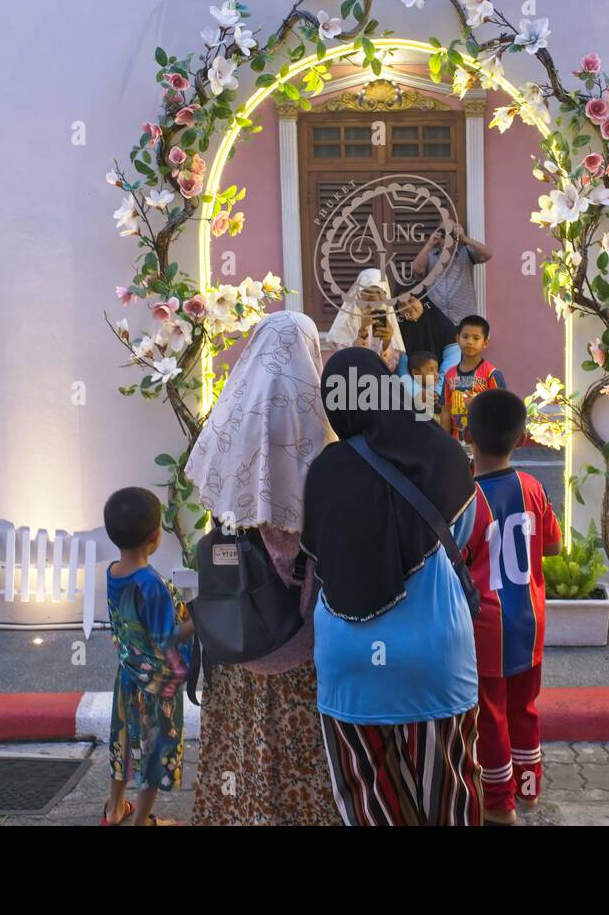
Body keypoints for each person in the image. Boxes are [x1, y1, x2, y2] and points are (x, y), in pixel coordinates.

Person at [303, 347, 483, 826]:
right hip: (434, 660)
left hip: (349, 668)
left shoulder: (323, 471)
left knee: (371, 805)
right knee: (451, 804)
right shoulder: (442, 453)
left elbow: (320, 556)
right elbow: (459, 538)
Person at [185, 311, 340, 826]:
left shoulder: (231, 411)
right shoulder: (310, 416)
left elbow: (219, 497)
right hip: (293, 632)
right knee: (297, 746)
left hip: (236, 623)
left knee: (244, 741)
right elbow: (300, 531)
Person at [463, 389, 562, 825]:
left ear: (466, 434)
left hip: (487, 629)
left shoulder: (466, 500)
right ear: (523, 440)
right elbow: (553, 547)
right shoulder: (534, 487)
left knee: (491, 716)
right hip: (530, 622)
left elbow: (458, 563)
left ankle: (498, 805)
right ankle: (529, 790)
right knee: (525, 708)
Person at [101, 487, 193, 826]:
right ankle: (142, 822)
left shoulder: (113, 572)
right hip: (157, 685)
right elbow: (165, 638)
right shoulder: (150, 584)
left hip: (126, 675)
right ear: (156, 535)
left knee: (123, 743)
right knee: (153, 755)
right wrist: (197, 622)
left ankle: (113, 811)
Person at [412, 221, 492, 328]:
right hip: (437, 320)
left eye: (452, 232)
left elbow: (488, 254)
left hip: (463, 319)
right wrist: (430, 243)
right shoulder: (430, 256)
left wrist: (465, 239)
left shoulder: (466, 253)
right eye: (444, 232)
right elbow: (417, 269)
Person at [441, 314, 506, 442]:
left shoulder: (492, 374)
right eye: (465, 337)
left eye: (476, 338)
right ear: (458, 339)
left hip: (484, 441)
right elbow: (446, 411)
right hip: (457, 441)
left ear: (485, 343)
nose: (470, 341)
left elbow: (502, 409)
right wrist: (445, 442)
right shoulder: (450, 374)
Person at [326, 267, 403, 371]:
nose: (374, 299)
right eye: (368, 293)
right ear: (358, 294)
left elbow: (389, 368)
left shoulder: (389, 321)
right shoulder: (347, 321)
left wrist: (386, 343)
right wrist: (362, 332)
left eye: (379, 293)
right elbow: (348, 362)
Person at [395, 291, 460, 381]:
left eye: (411, 301)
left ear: (422, 300)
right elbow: (402, 370)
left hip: (444, 384)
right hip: (409, 390)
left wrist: (438, 388)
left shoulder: (444, 326)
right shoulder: (397, 333)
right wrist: (417, 392)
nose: (408, 308)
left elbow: (452, 361)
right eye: (401, 305)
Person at [407, 350, 442, 421]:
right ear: (416, 373)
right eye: (431, 370)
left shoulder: (435, 392)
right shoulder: (411, 396)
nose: (436, 374)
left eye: (437, 370)